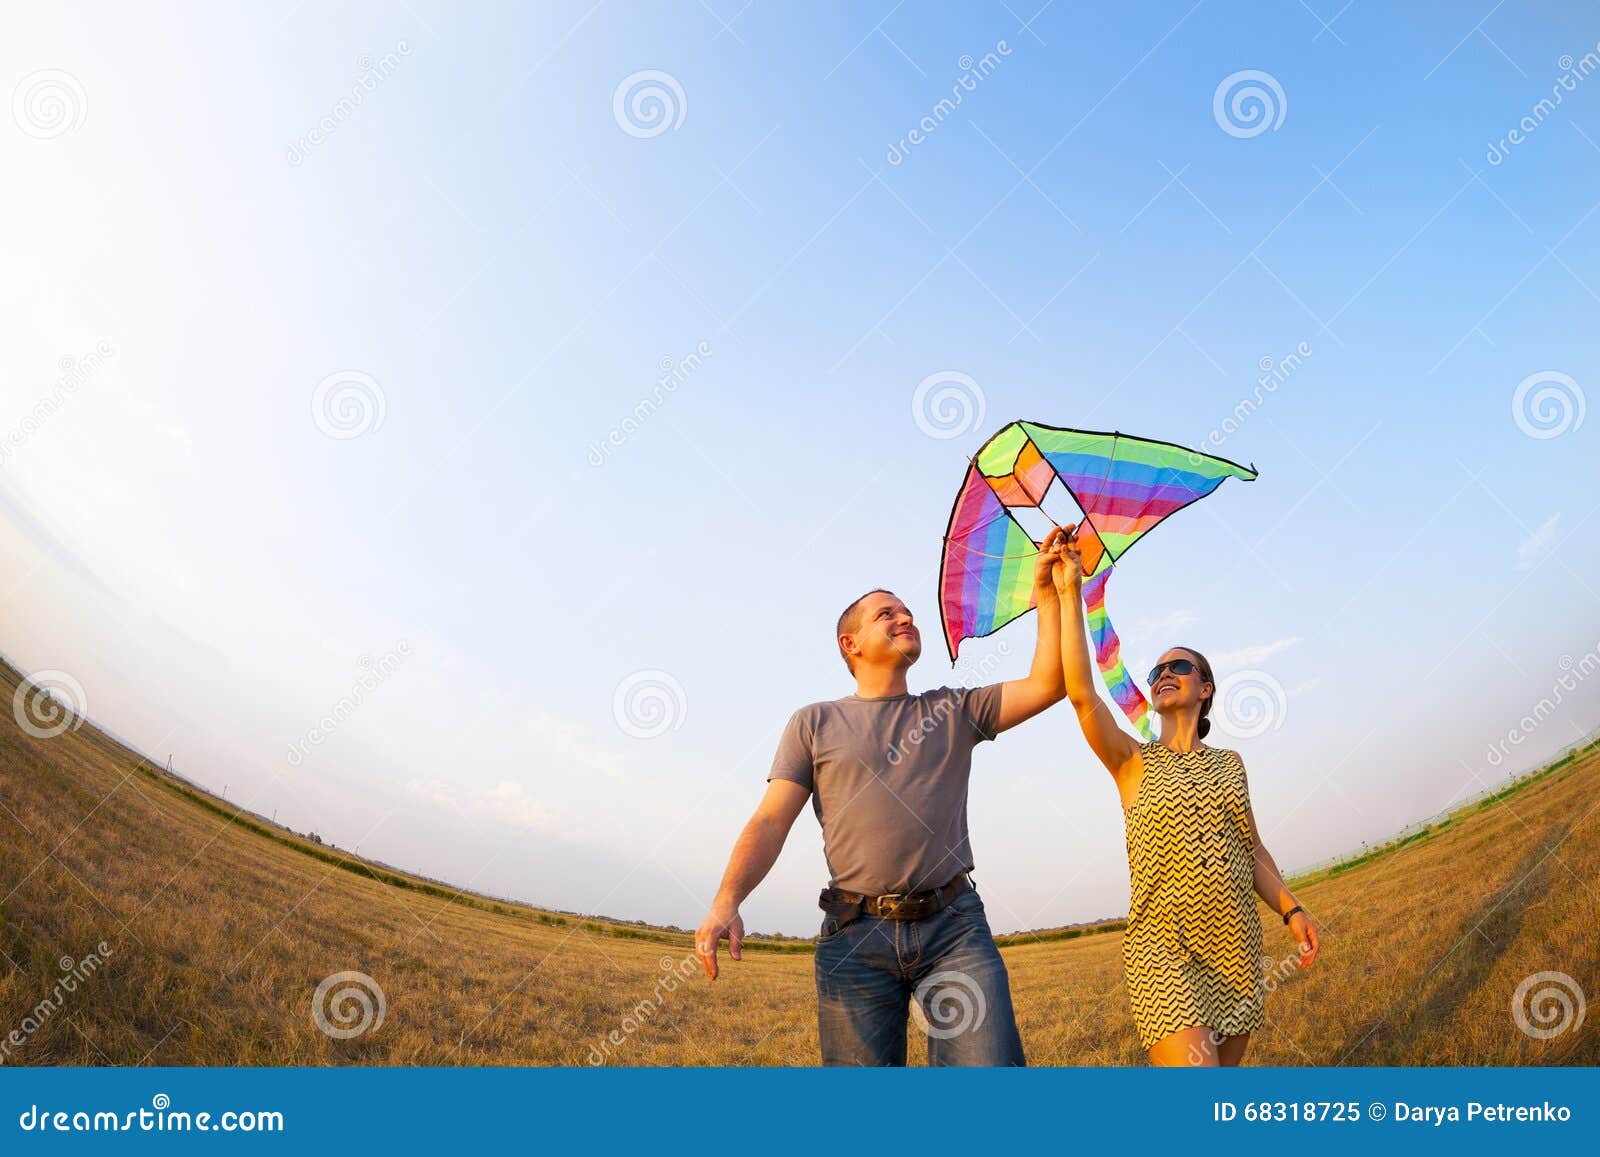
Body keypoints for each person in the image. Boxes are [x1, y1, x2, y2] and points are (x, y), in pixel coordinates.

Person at [693, 551, 1068, 1066]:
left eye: (907, 611)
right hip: (854, 937)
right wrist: (726, 900)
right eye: (886, 614)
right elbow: (771, 819)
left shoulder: (953, 709)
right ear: (850, 644)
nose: (905, 617)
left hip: (955, 930)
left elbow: (1050, 683)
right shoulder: (814, 722)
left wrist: (1049, 596)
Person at [1044, 525, 1320, 1066]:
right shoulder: (1132, 760)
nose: (1163, 674)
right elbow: (1080, 692)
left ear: (1205, 688)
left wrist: (1292, 910)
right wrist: (1070, 591)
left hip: (1237, 948)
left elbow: (1252, 851)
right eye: (1156, 670)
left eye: (1179, 667)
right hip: (1163, 950)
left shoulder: (1230, 764)